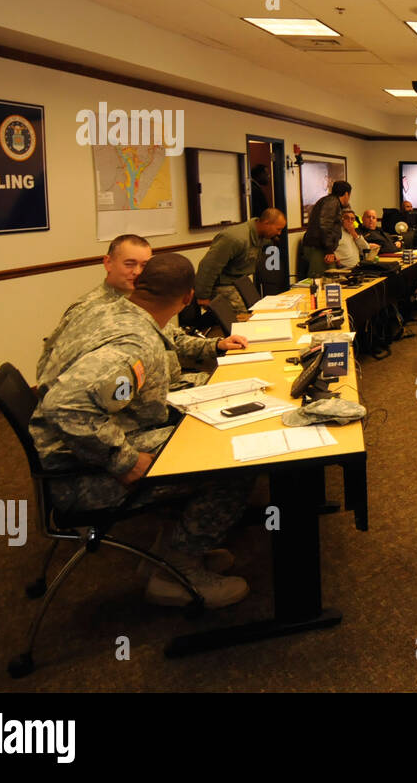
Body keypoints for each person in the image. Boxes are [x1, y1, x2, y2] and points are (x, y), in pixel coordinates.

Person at [29, 254, 255, 609]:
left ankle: (168, 551)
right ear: (187, 298)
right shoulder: (135, 344)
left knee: (201, 430)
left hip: (80, 444)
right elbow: (66, 405)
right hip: (78, 471)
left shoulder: (112, 310)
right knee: (228, 459)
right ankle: (177, 571)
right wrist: (123, 460)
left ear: (139, 284)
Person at [38, 234, 247, 386]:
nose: (137, 272)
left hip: (170, 386)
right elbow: (54, 375)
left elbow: (173, 339)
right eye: (130, 264)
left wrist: (217, 344)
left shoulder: (143, 300)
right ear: (108, 263)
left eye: (144, 265)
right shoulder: (90, 310)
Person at [193, 208, 287, 313]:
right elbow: (209, 266)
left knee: (258, 311)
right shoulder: (235, 238)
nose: (279, 233)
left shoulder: (262, 237)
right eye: (278, 229)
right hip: (223, 284)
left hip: (239, 281)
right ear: (266, 223)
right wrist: (202, 296)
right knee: (244, 318)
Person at [300, 180, 352, 277]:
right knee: (320, 280)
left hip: (321, 247)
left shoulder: (329, 201)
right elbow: (325, 226)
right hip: (318, 248)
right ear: (346, 194)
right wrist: (329, 251)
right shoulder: (332, 202)